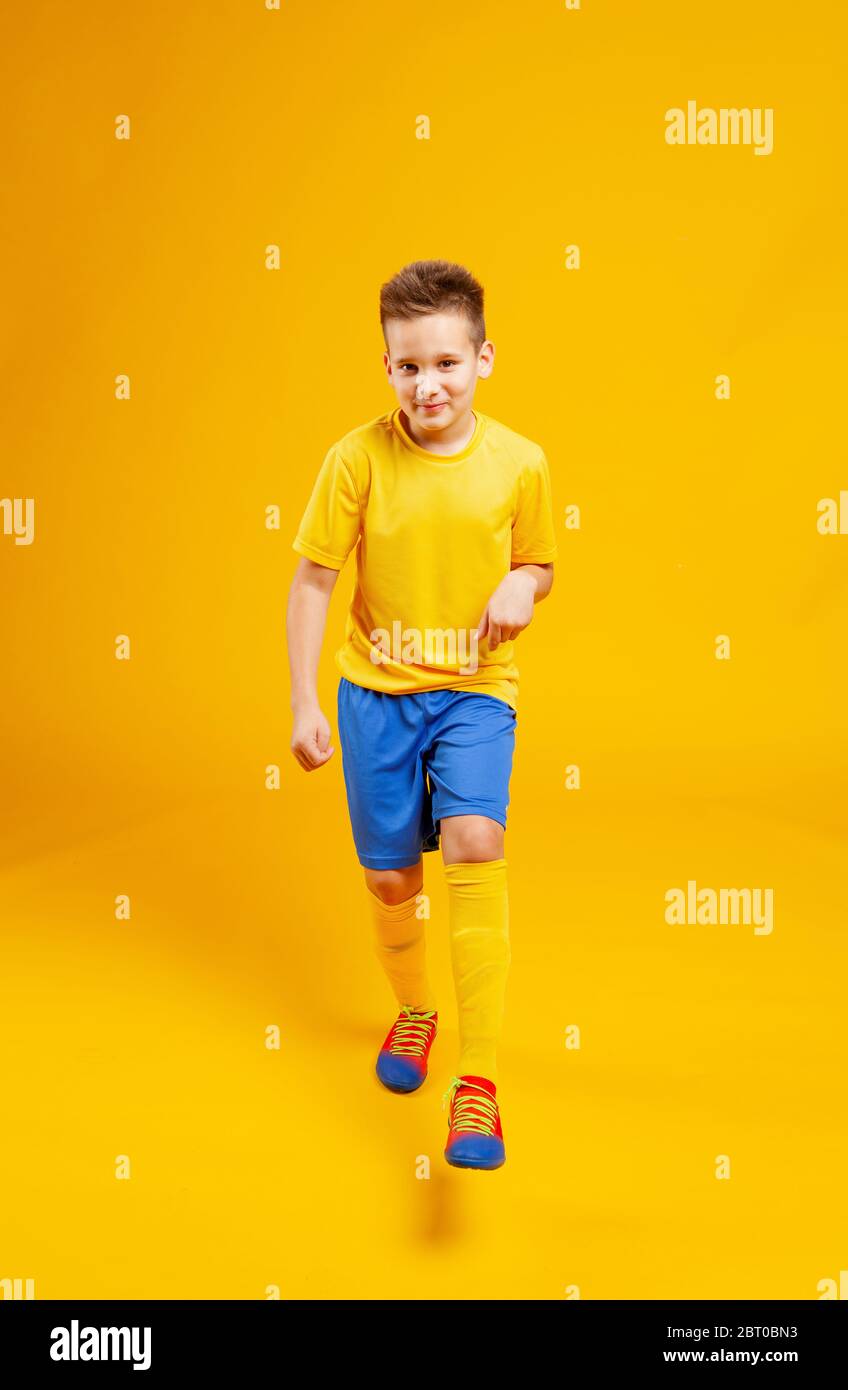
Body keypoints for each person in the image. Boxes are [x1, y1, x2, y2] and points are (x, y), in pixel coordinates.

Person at [286, 259, 557, 1169]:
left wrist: (525, 582)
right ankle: (415, 1012)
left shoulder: (523, 462)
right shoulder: (355, 459)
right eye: (408, 366)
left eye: (446, 362)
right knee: (395, 882)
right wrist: (303, 699)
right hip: (376, 696)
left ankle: (476, 1081)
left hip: (478, 691)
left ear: (485, 358)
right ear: (388, 367)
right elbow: (314, 579)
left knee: (479, 840)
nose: (427, 384)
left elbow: (541, 563)